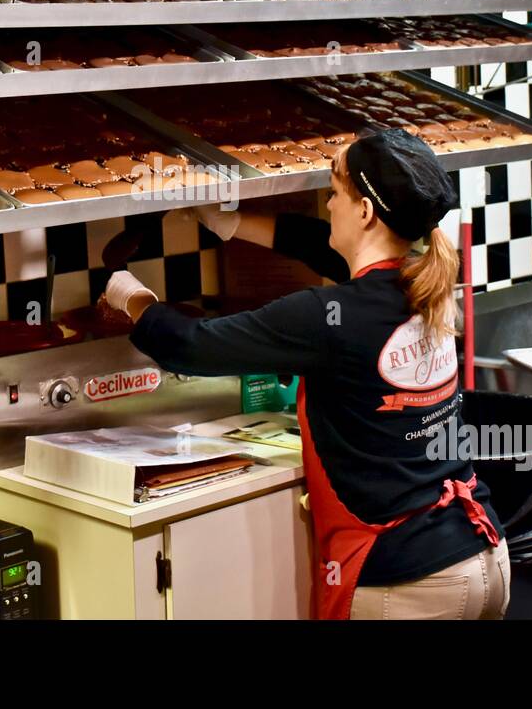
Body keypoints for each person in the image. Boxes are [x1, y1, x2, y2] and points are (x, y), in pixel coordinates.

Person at [101, 129, 509, 620]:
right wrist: (229, 224)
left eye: (335, 194)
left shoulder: (323, 317)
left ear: (364, 212)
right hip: (484, 552)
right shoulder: (429, 280)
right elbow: (330, 250)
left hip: (408, 580)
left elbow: (191, 346)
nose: (329, 206)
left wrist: (131, 297)